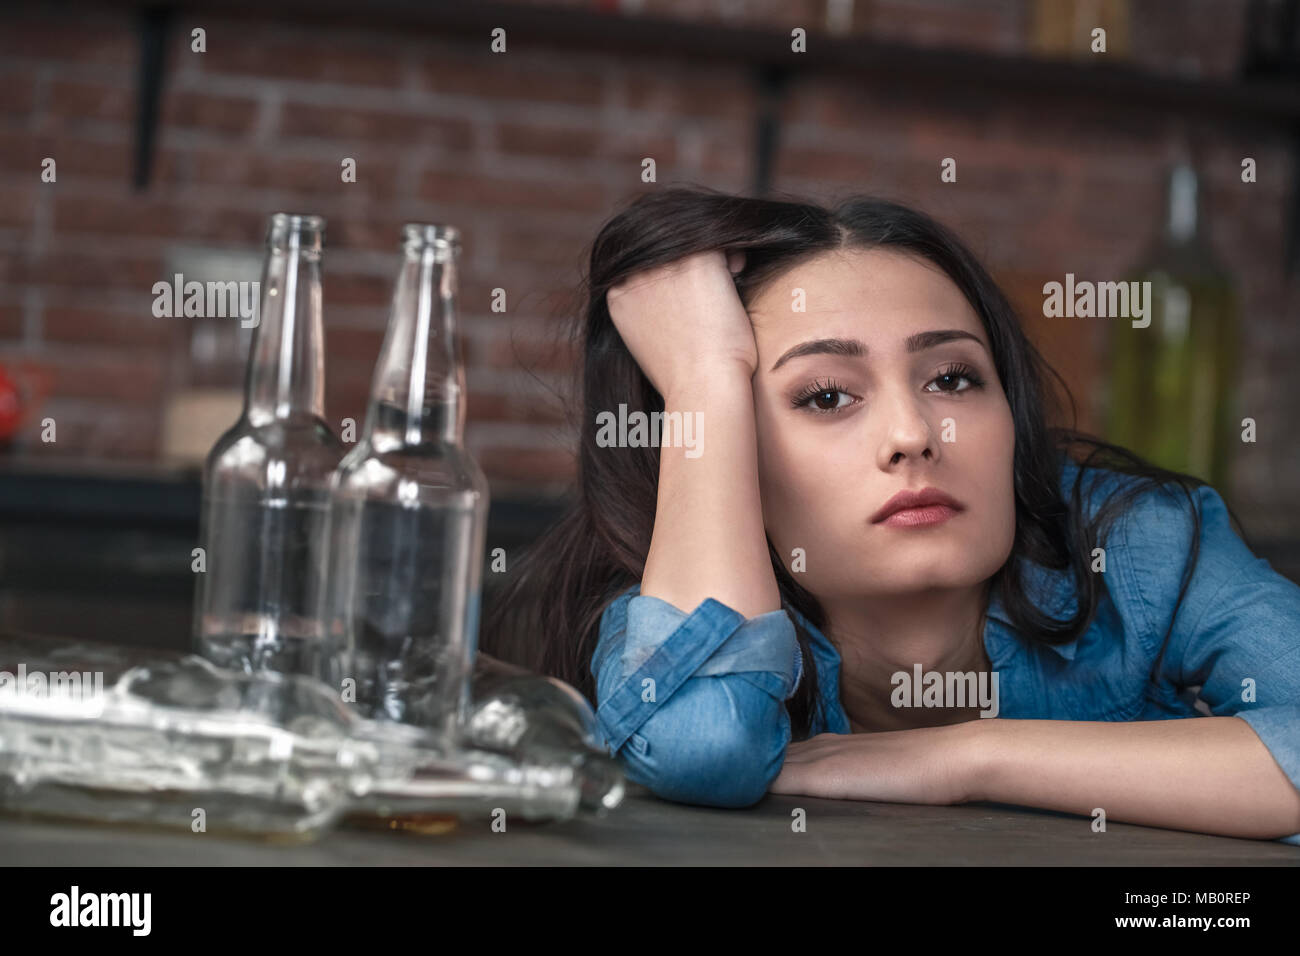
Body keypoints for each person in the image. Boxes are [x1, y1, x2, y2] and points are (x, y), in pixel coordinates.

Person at [480, 185, 1300, 845]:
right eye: (826, 395)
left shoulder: (1140, 547)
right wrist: (702, 376)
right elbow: (704, 745)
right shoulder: (678, 603)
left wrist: (966, 755)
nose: (913, 435)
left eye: (951, 379)